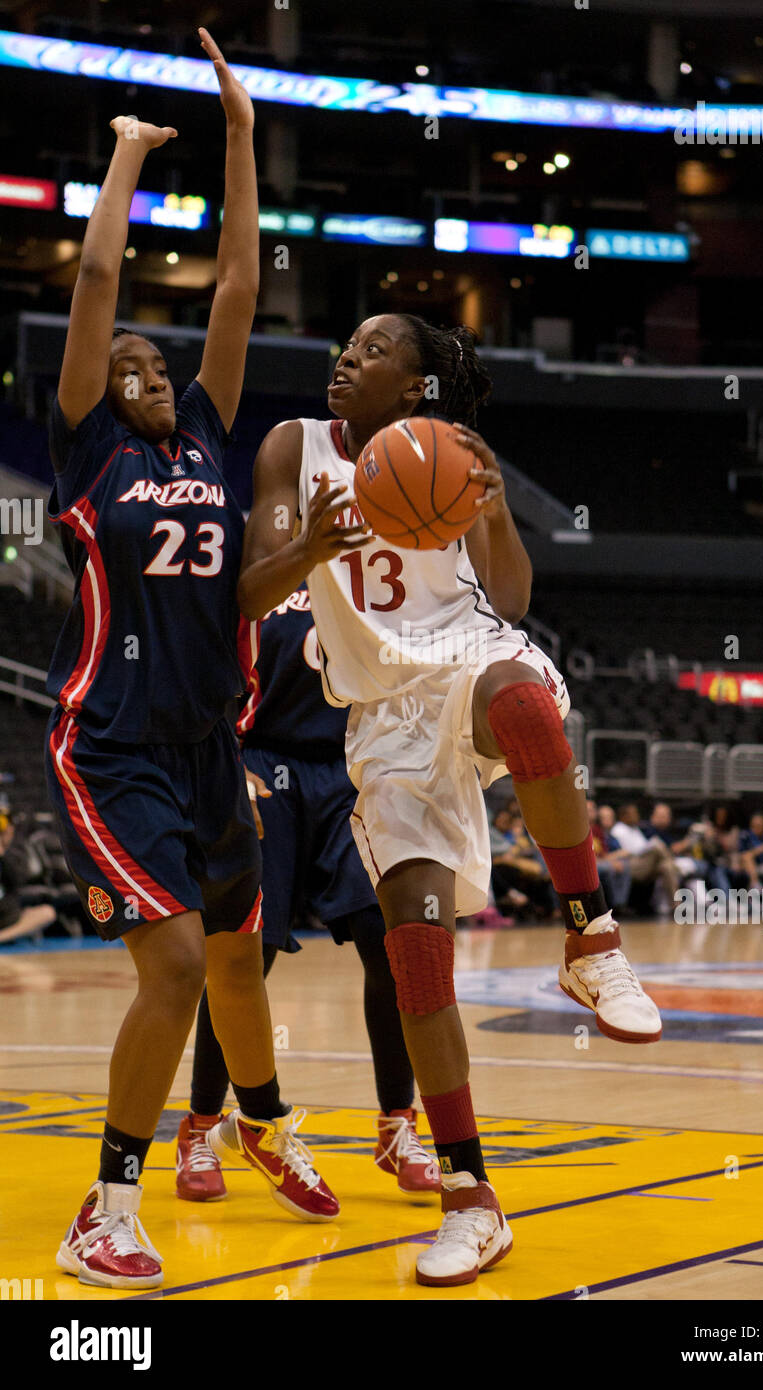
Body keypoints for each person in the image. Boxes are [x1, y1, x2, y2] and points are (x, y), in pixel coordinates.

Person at [236, 310, 661, 1288]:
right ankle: (472, 1197)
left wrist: (497, 506)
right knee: (417, 954)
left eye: (376, 349)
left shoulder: (453, 453)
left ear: (417, 387)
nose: (349, 355)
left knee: (522, 704)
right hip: (382, 722)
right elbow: (252, 597)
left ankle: (589, 939)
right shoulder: (290, 449)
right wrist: (308, 546)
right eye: (347, 342)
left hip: (470, 662)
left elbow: (507, 602)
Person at [44, 32, 336, 1293]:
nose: (148, 370)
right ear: (101, 394)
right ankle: (106, 1203)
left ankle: (263, 1122)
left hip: (211, 742)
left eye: (157, 366)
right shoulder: (87, 454)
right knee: (170, 964)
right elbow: (103, 275)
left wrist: (241, 133)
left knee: (234, 949)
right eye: (129, 367)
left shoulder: (213, 437)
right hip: (109, 743)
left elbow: (231, 288)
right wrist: (122, 155)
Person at [177, 582, 438, 1199]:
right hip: (265, 765)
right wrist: (225, 762)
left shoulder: (378, 573)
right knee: (247, 952)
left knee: (390, 943)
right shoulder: (259, 563)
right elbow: (205, 663)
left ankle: (398, 1125)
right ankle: (202, 1127)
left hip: (353, 769)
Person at [0, 814, 58, 945]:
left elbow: (19, 880)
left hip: (8, 916)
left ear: (10, 830)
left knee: (47, 913)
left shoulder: (16, 850)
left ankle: (2, 937)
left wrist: (3, 853)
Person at [612, 804, 680, 912]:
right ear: (623, 816)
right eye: (634, 814)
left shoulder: (635, 828)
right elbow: (629, 852)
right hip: (631, 865)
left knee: (666, 866)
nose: (637, 816)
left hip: (644, 864)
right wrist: (649, 847)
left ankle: (676, 906)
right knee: (657, 844)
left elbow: (643, 845)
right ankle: (676, 865)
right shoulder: (619, 829)